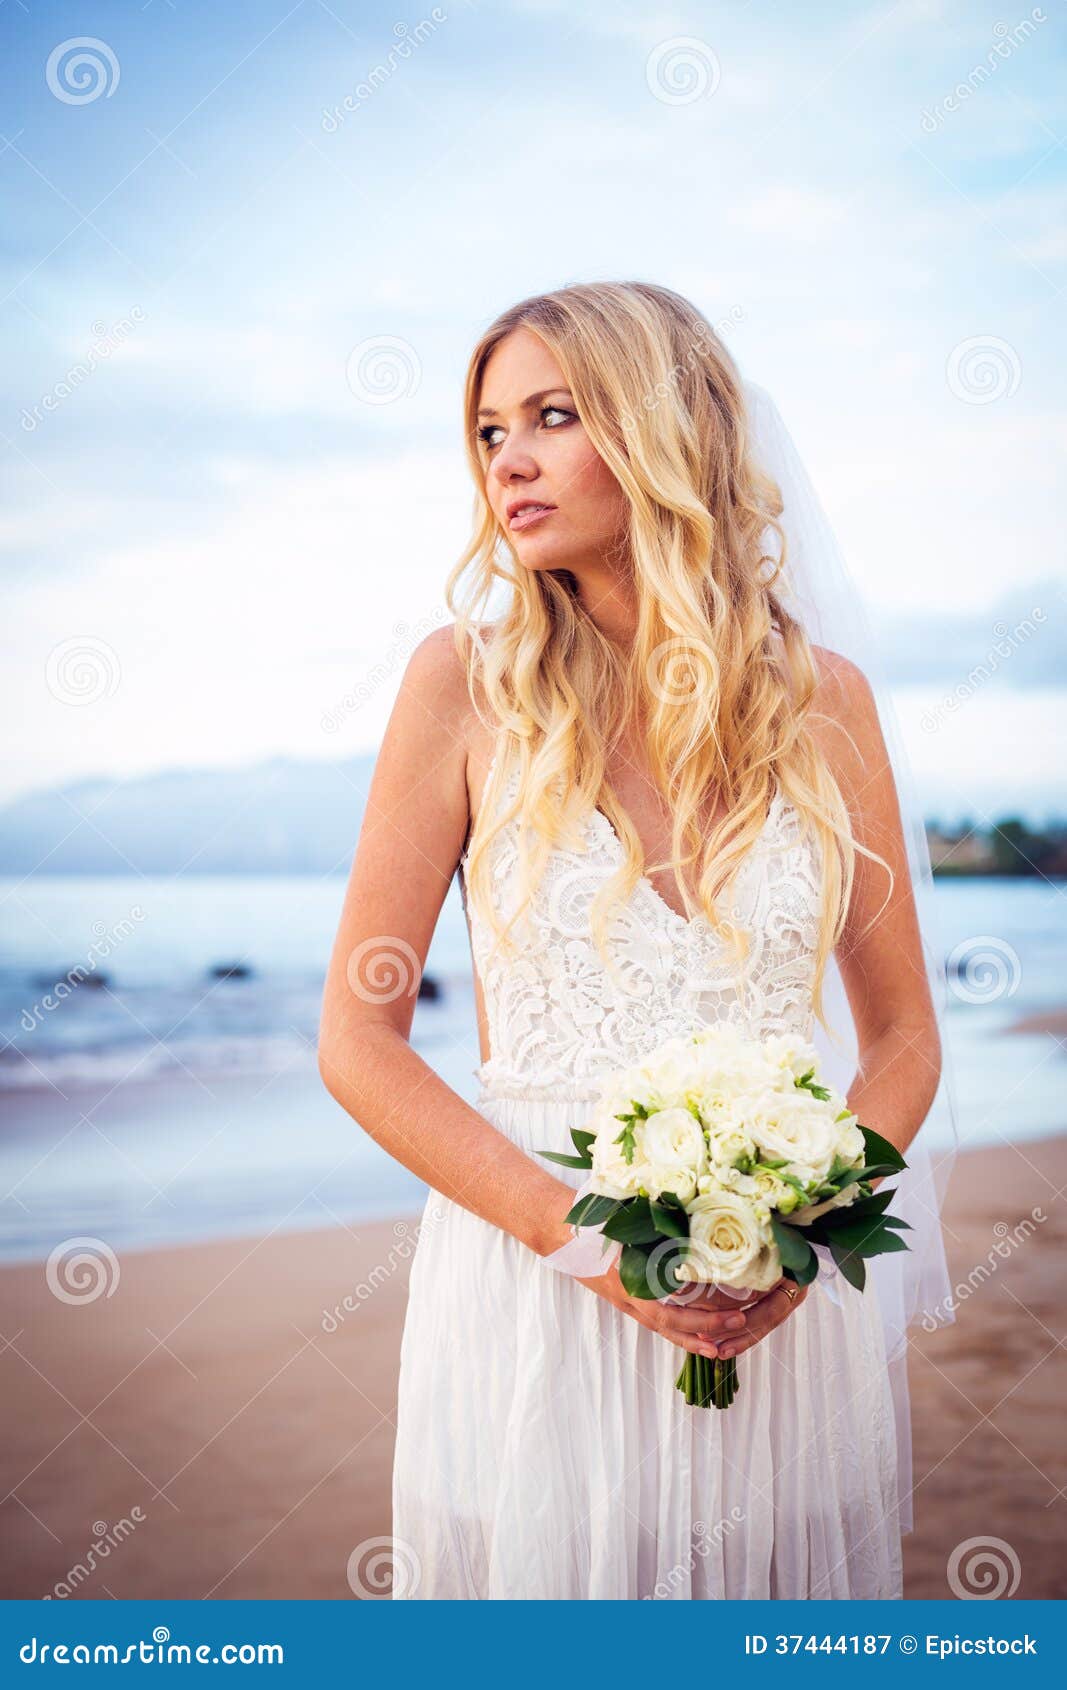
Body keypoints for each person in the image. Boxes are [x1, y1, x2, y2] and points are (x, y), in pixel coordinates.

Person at [317, 280, 954, 1599]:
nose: (512, 460)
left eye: (553, 416)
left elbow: (900, 1036)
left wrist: (805, 1227)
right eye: (490, 431)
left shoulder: (826, 703)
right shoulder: (465, 685)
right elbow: (355, 1039)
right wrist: (590, 1248)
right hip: (534, 1290)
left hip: (771, 1304)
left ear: (667, 429)